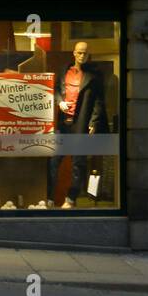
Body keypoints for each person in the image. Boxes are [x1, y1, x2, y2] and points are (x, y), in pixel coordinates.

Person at [47, 41, 109, 209]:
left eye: (85, 53)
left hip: (80, 123)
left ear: (89, 55)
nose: (82, 56)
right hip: (63, 123)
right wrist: (59, 102)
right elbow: (56, 91)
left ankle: (71, 199)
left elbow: (99, 101)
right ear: (74, 53)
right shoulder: (64, 71)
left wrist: (93, 122)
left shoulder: (94, 76)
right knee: (53, 160)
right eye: (80, 53)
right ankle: (50, 198)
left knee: (78, 163)